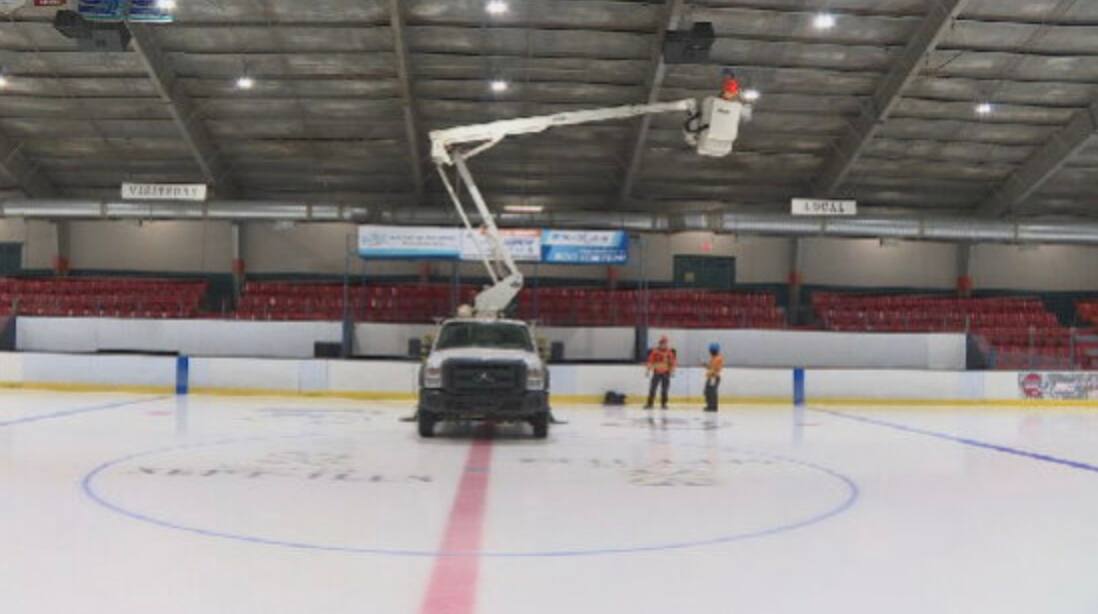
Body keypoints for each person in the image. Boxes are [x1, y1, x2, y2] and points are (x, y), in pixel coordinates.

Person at [644, 336, 677, 415]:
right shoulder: (655, 352)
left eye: (664, 343)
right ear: (660, 343)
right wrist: (648, 370)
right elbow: (650, 361)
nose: (663, 345)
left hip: (666, 373)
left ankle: (664, 404)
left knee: (664, 390)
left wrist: (672, 371)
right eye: (662, 343)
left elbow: (672, 363)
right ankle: (650, 403)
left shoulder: (669, 353)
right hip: (657, 372)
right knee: (652, 388)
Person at [704, 343, 724, 412]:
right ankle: (710, 406)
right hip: (711, 377)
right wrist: (706, 365)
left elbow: (716, 369)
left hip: (714, 377)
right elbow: (710, 367)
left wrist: (710, 371)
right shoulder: (713, 358)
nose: (710, 352)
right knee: (707, 392)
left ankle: (713, 407)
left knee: (712, 392)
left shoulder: (718, 358)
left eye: (711, 351)